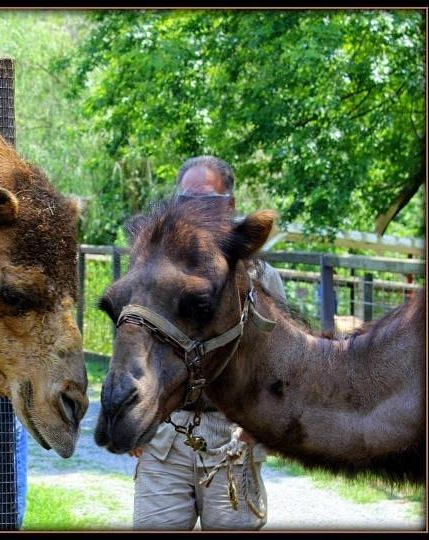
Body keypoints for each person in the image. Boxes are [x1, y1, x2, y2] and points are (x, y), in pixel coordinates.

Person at [130, 155, 287, 531]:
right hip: (165, 439)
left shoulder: (260, 277)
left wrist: (255, 430)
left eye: (207, 201)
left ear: (229, 205)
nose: (195, 210)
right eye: (186, 200)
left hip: (233, 442)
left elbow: (279, 364)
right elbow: (135, 347)